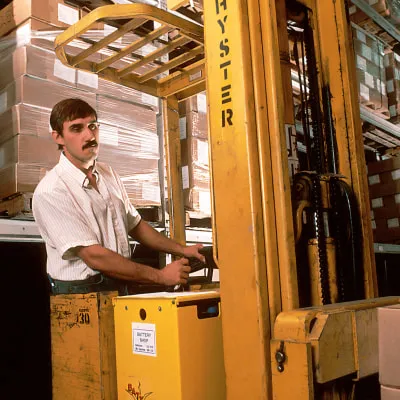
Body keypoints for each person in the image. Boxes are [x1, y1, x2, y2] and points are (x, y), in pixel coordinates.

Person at [32, 98, 205, 295]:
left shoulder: (108, 173)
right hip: (82, 294)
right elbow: (94, 256)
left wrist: (182, 250)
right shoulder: (52, 190)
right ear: (58, 137)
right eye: (77, 129)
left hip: (119, 282)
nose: (89, 135)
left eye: (93, 126)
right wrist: (161, 276)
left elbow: (136, 225)